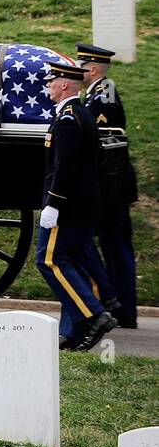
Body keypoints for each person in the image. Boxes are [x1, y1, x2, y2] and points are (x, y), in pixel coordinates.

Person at [37, 59, 117, 351]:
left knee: (49, 260)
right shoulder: (78, 113)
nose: (48, 86)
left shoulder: (69, 118)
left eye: (51, 82)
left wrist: (54, 203)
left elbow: (66, 166)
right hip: (82, 205)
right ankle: (72, 330)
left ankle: (93, 315)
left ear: (64, 85)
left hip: (68, 206)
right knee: (72, 262)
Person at [79, 43, 137, 329]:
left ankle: (124, 309)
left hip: (111, 187)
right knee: (112, 246)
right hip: (110, 186)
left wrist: (106, 194)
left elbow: (111, 147)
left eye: (81, 66)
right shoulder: (96, 94)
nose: (78, 71)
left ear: (92, 69)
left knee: (115, 246)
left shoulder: (104, 95)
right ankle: (118, 305)